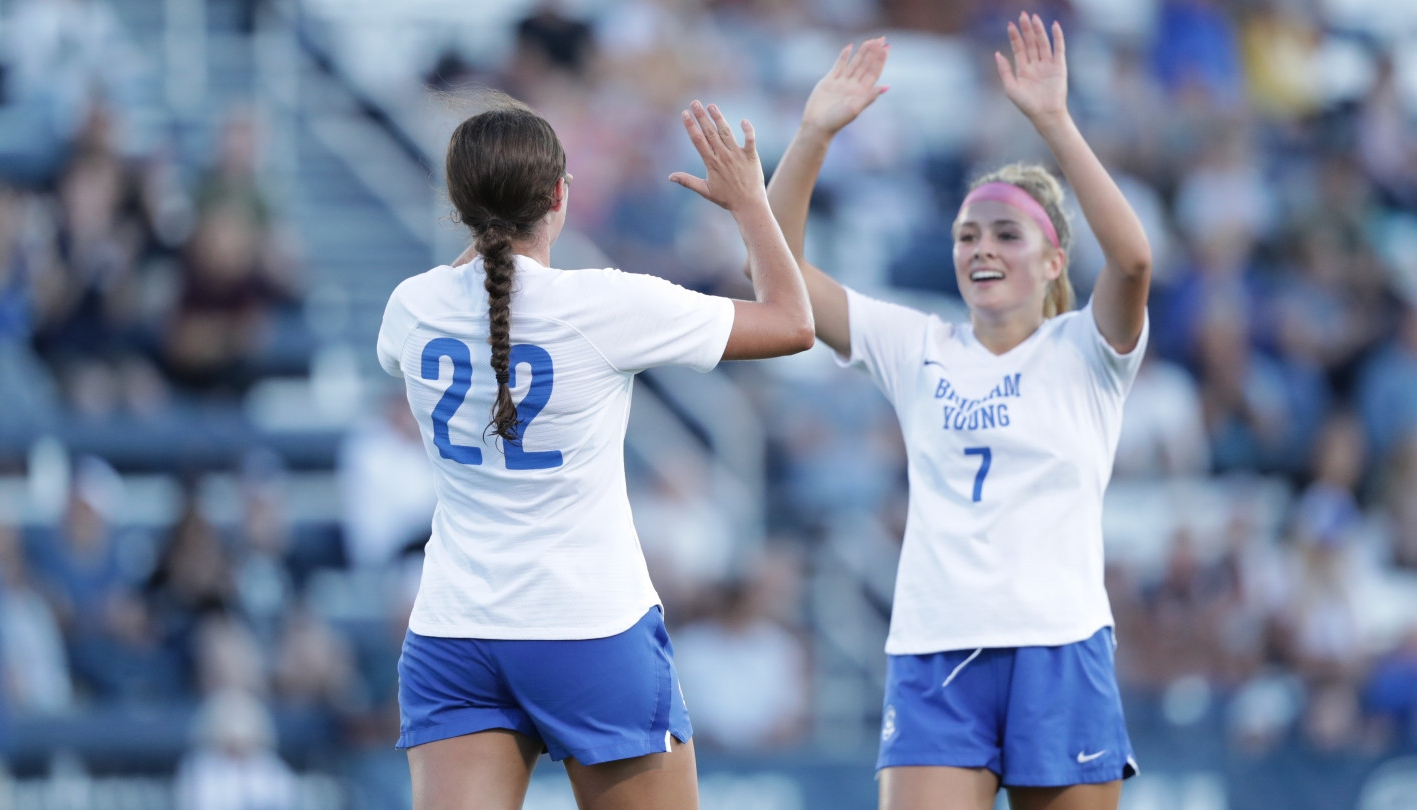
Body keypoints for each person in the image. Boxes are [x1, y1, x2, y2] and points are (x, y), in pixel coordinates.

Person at [376, 95, 812, 810]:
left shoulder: (410, 308)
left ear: (459, 206)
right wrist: (748, 204)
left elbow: (473, 284)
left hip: (455, 634)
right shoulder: (606, 304)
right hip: (589, 626)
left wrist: (484, 218)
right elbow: (793, 323)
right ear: (559, 195)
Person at [766, 16, 1152, 810]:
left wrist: (1054, 122)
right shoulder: (919, 345)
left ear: (1054, 260)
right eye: (967, 235)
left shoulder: (1087, 350)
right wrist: (813, 135)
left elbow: (1135, 258)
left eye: (1007, 235)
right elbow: (776, 275)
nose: (981, 249)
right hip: (937, 650)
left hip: (1058, 646)